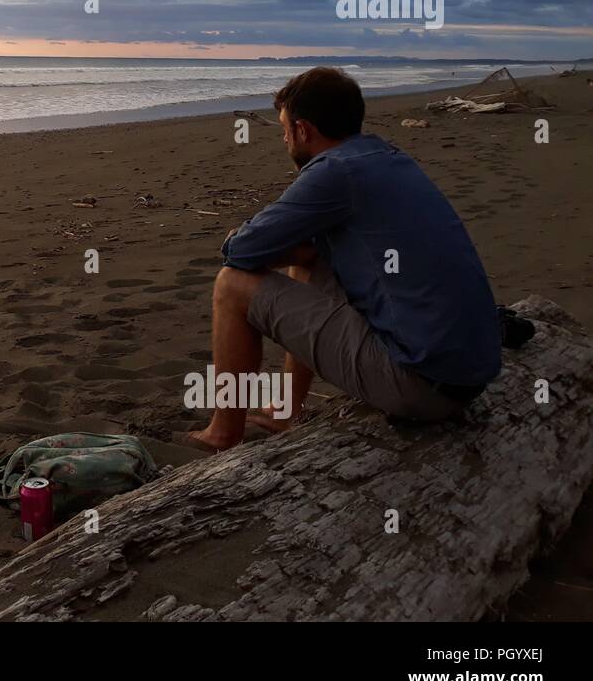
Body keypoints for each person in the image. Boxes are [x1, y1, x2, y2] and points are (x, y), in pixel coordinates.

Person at [187, 66, 501, 451]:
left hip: (421, 384)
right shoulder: (386, 156)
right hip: (466, 373)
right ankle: (285, 409)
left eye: (285, 129)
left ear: (303, 130)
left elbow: (242, 252)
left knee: (231, 284)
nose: (284, 138)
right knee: (310, 254)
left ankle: (223, 433)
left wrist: (237, 238)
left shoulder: (334, 171)